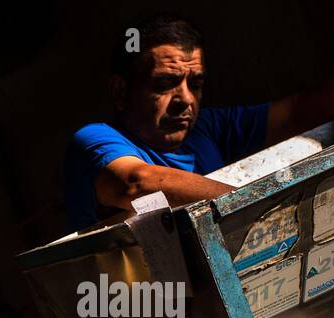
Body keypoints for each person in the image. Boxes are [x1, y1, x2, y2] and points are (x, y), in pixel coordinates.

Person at [64, 15, 334, 230]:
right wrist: (261, 210)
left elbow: (297, 112)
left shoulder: (207, 128)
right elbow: (137, 183)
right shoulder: (96, 139)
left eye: (195, 84)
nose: (186, 99)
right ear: (121, 91)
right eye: (165, 83)